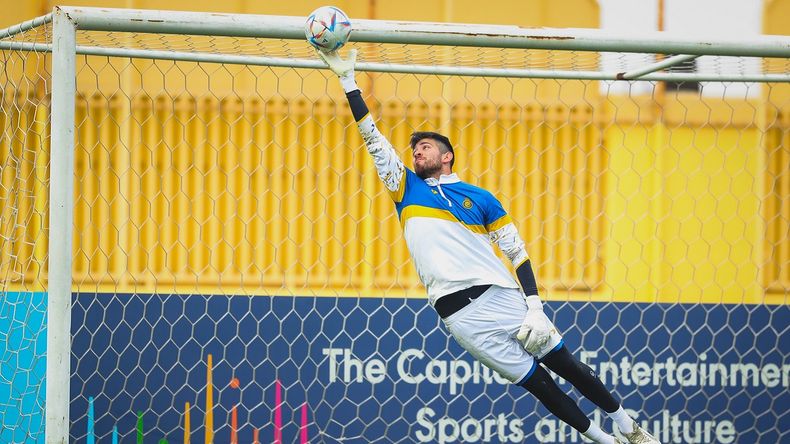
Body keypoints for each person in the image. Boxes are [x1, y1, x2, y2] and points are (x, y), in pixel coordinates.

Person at [317, 48, 661, 444]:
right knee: (539, 384)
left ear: (446, 156)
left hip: (500, 298)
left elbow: (516, 252)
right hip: (459, 319)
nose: (416, 152)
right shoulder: (404, 189)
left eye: (425, 146)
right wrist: (349, 82)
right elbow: (372, 139)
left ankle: (625, 425)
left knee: (563, 363)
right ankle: (602, 440)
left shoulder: (479, 197)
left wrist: (534, 306)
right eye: (414, 149)